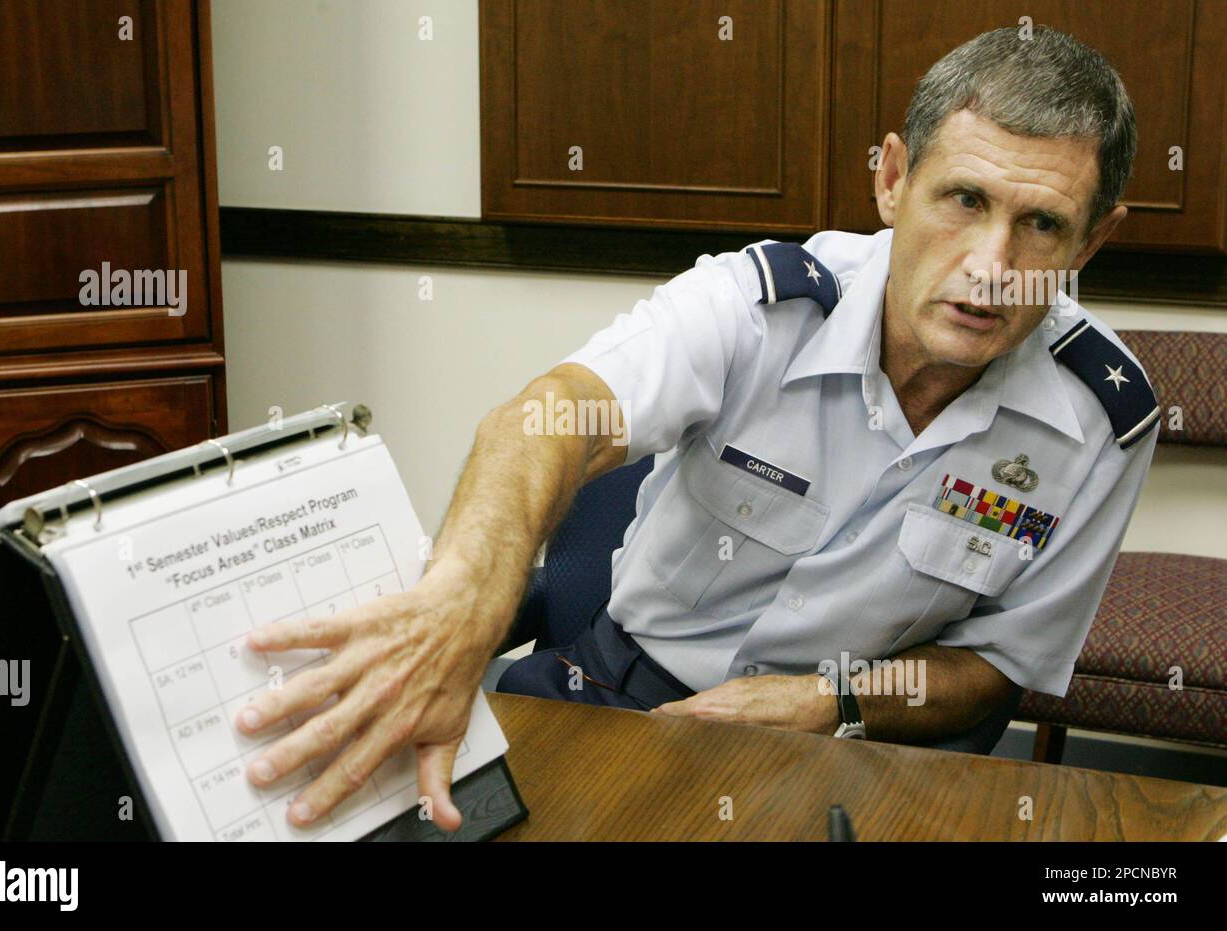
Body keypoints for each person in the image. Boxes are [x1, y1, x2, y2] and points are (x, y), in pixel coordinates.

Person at [236, 26, 1157, 831]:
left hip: (849, 747)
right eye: (963, 200)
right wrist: (464, 605)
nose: (992, 267)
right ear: (890, 180)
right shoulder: (762, 303)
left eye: (1041, 224)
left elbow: (999, 665)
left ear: (1091, 243)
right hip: (615, 699)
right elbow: (547, 421)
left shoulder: (1101, 417)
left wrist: (823, 700)